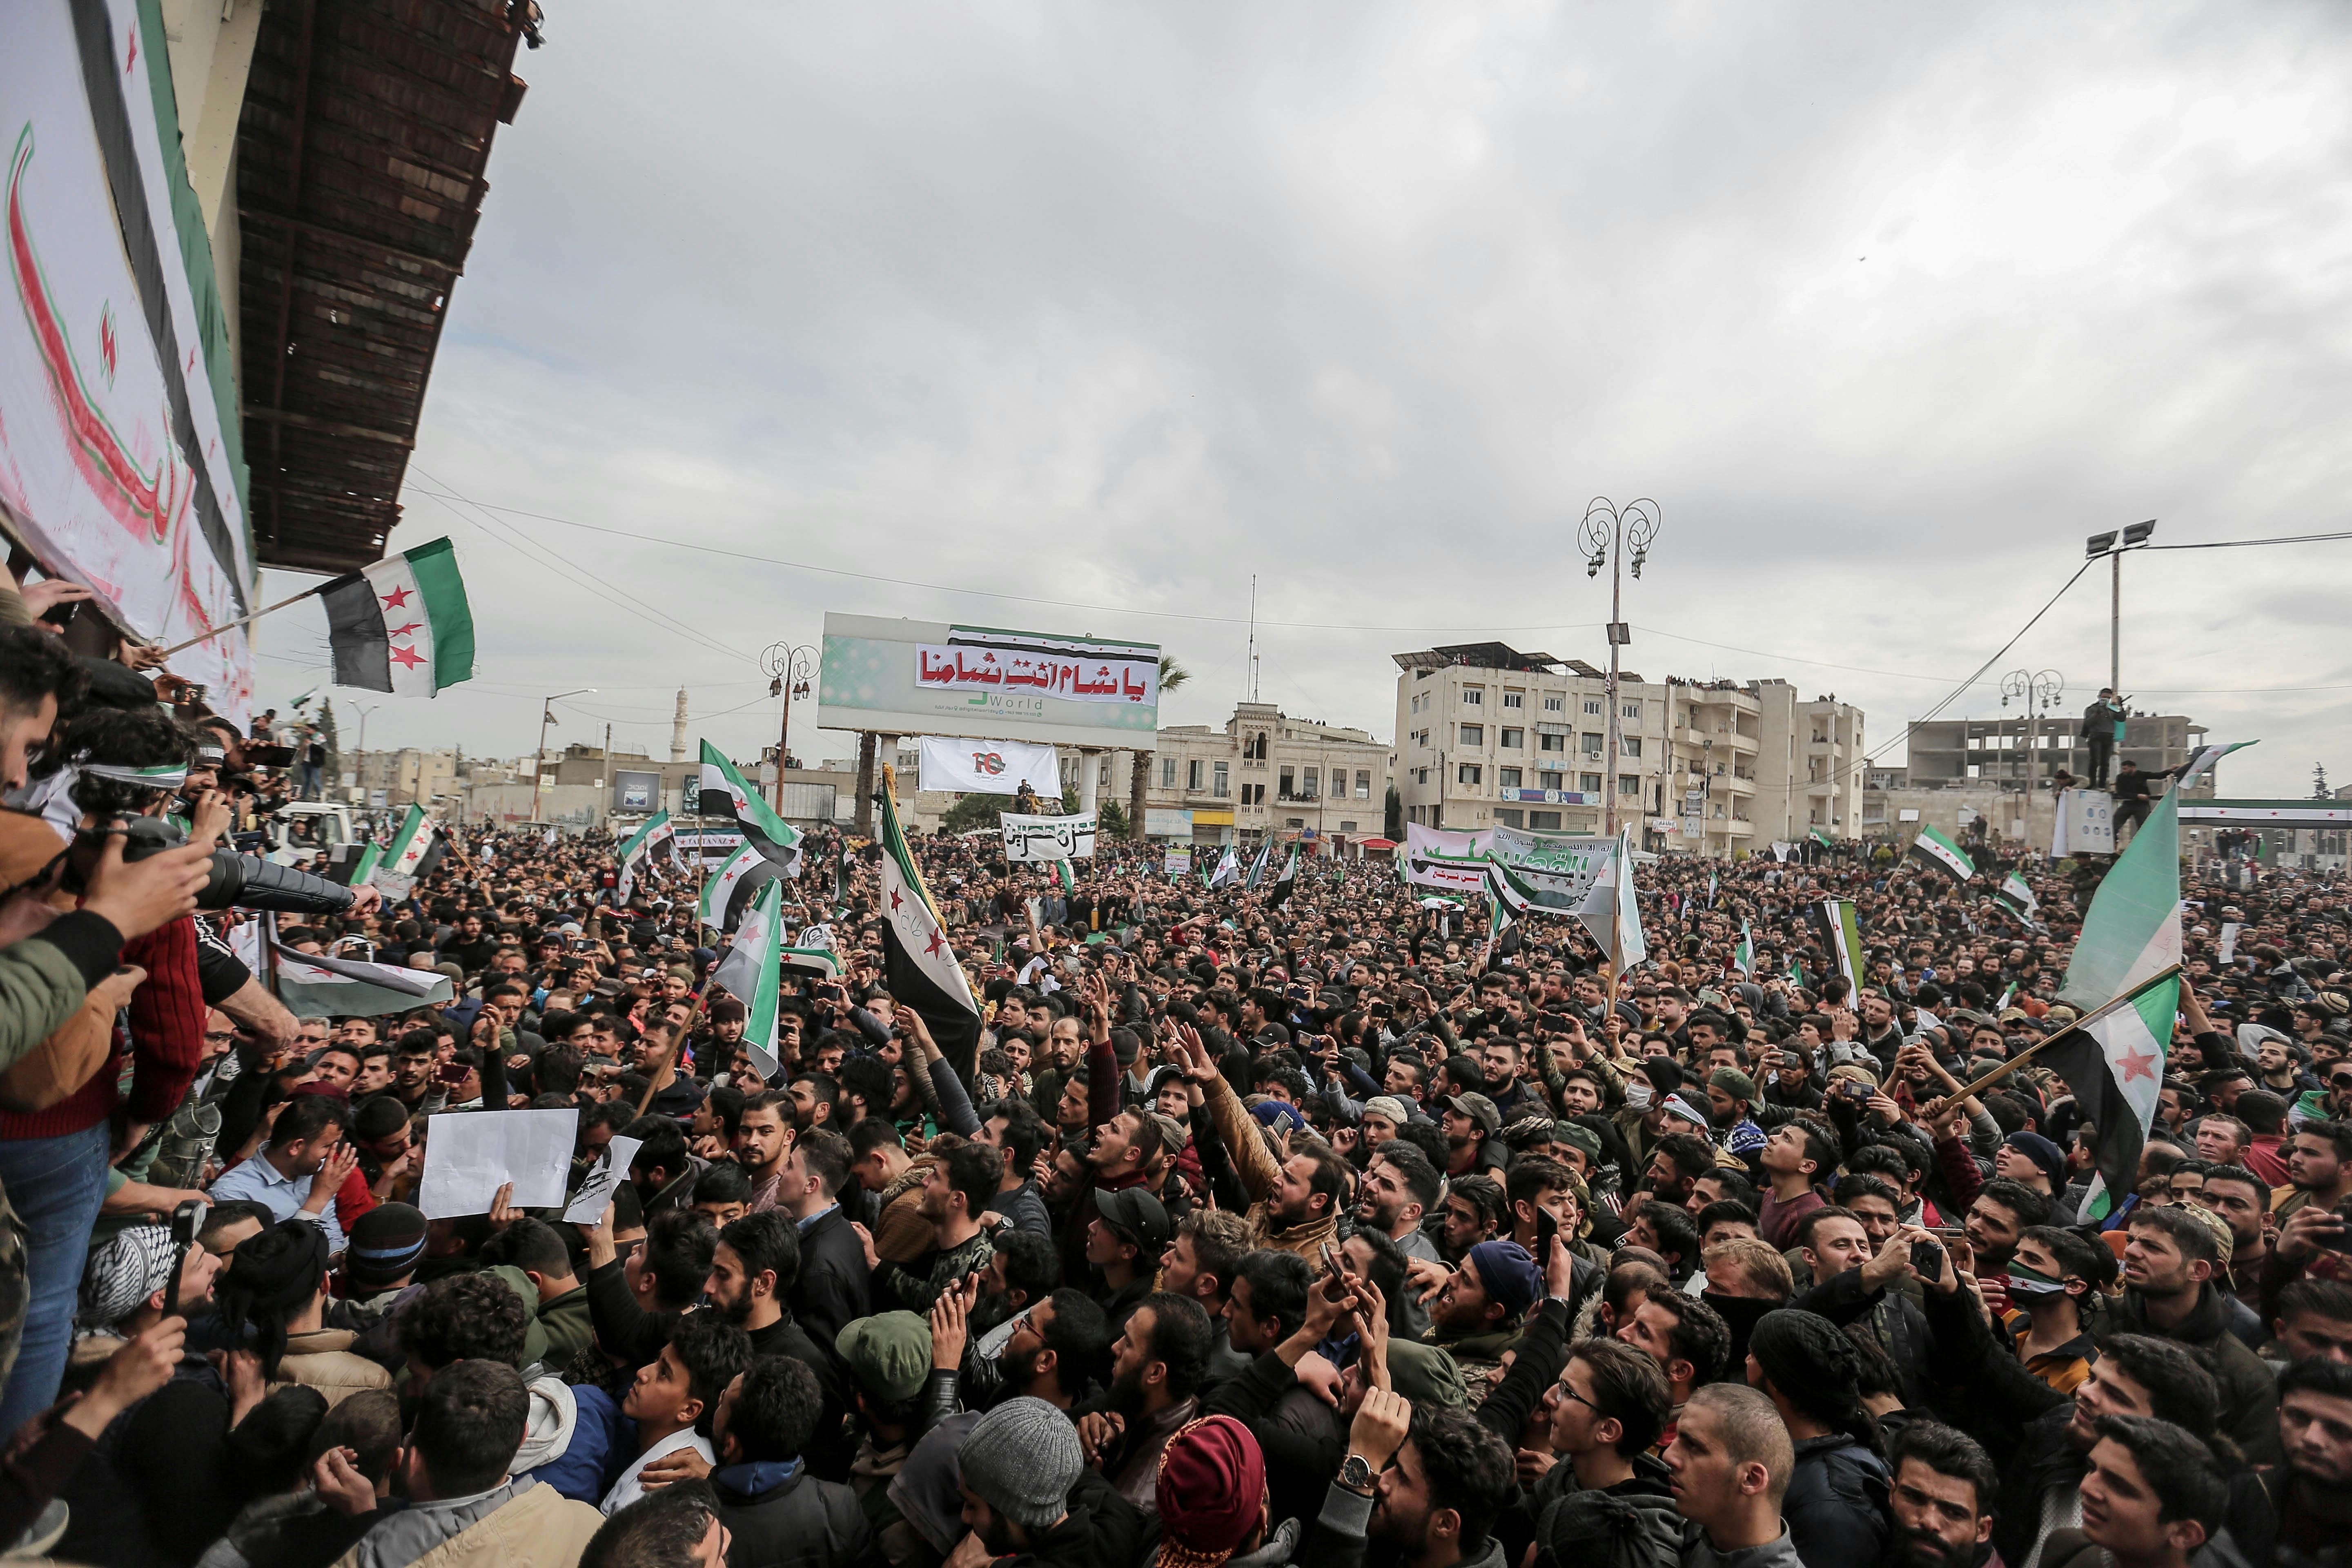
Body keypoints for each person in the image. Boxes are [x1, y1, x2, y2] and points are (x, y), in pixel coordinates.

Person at [327, 1359, 606, 1566]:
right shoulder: (590, 1526)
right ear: (523, 1437)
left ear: (412, 1462)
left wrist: (363, 1521)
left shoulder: (361, 1559)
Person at [1662, 1382, 1805, 1568]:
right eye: (1677, 1438)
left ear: (1751, 1479)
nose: (1668, 1456)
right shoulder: (1709, 1536)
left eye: (1693, 1446)